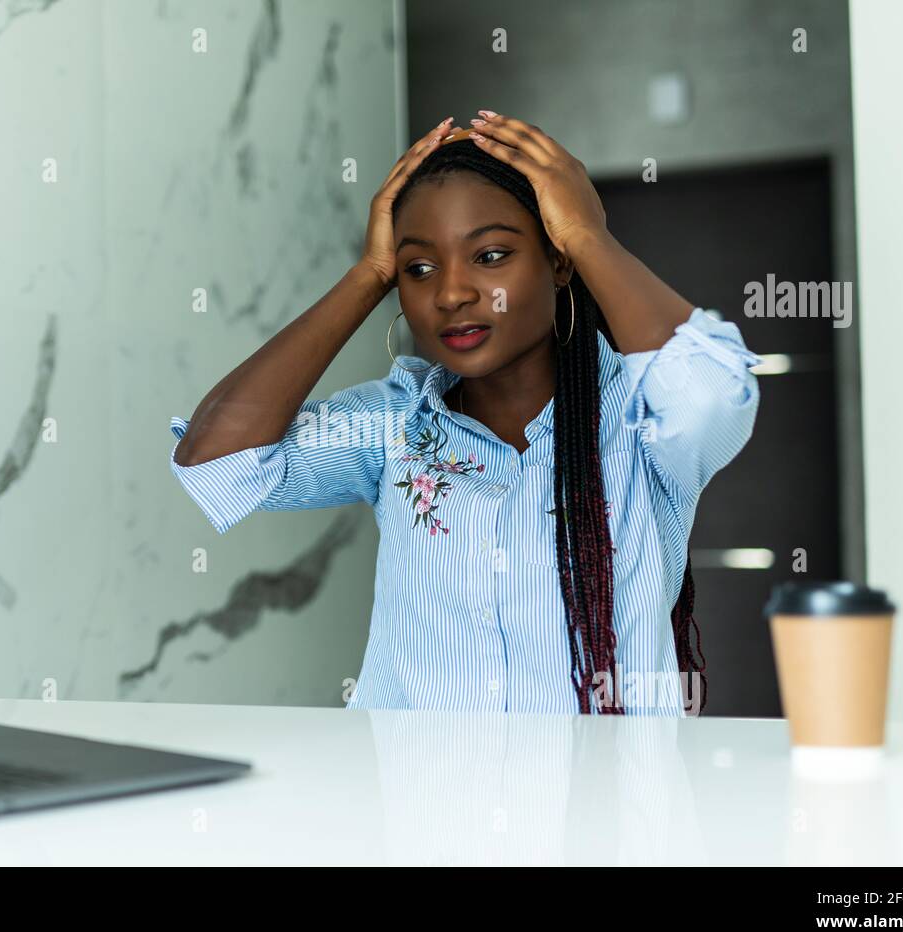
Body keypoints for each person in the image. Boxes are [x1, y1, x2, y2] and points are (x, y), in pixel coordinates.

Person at [168, 113, 761, 716]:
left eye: (491, 255)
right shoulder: (394, 425)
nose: (450, 293)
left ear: (557, 265)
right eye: (418, 269)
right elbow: (215, 461)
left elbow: (712, 395)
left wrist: (587, 236)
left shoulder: (639, 423)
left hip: (606, 808)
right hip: (405, 807)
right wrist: (366, 276)